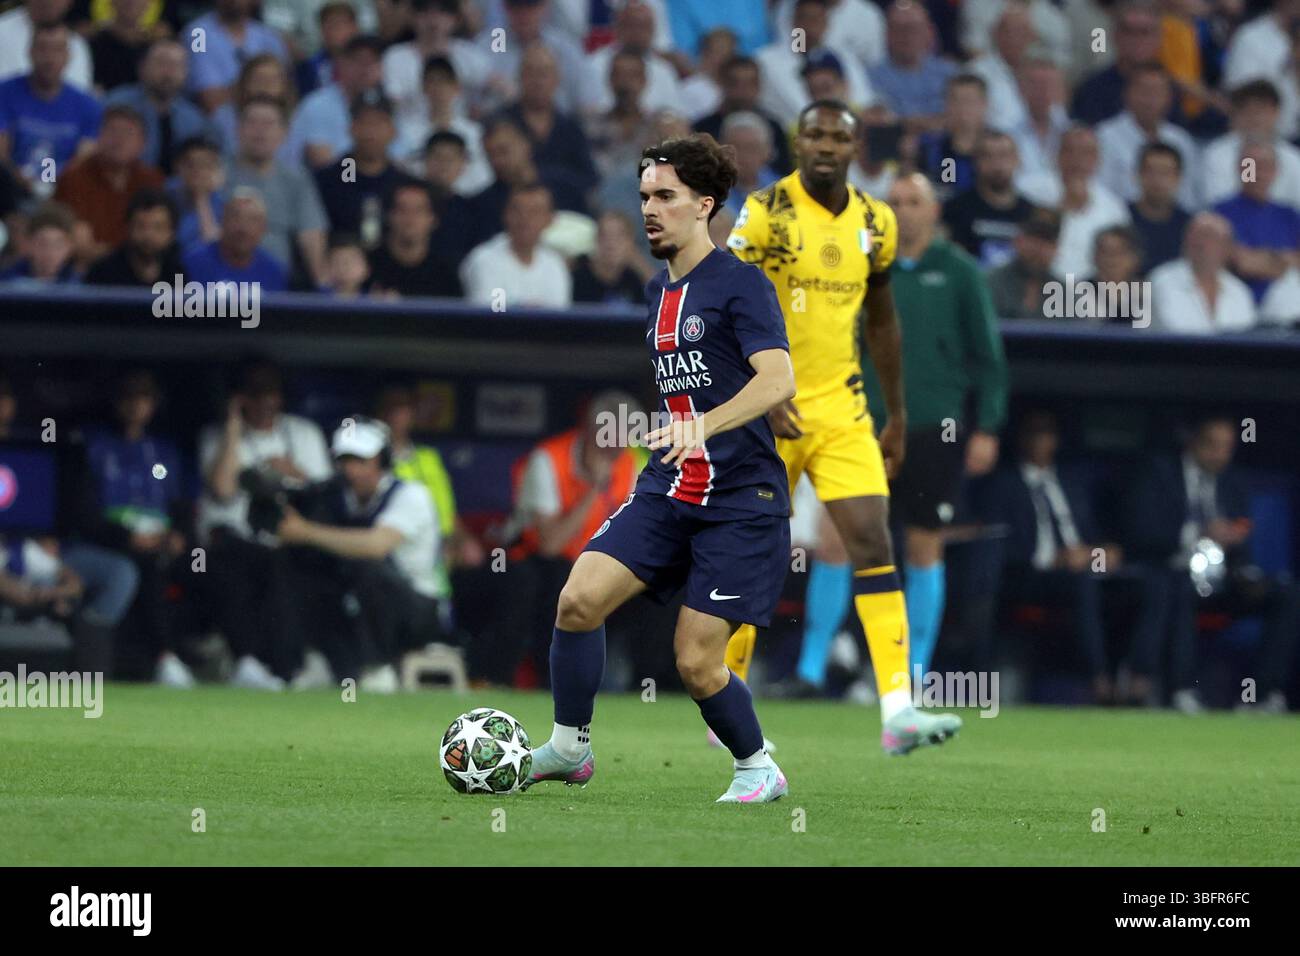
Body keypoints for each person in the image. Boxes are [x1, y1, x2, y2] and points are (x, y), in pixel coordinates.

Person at [526, 133, 796, 803]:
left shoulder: (740, 282)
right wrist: (678, 424)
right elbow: (703, 383)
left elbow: (778, 378)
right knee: (578, 600)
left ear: (703, 205)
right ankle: (569, 748)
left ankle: (757, 766)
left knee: (696, 663)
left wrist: (703, 423)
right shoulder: (657, 289)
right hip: (672, 486)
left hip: (741, 499)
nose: (650, 208)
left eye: (665, 197)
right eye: (645, 195)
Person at [726, 100, 963, 754]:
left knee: (870, 540)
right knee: (753, 550)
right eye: (815, 134)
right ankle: (730, 698)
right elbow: (731, 298)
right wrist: (762, 388)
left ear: (855, 148)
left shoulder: (875, 220)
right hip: (771, 407)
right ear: (798, 142)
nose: (826, 145)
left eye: (839, 136)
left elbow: (882, 322)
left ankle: (898, 712)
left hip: (845, 410)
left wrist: (898, 416)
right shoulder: (767, 212)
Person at [869, 171, 1006, 679]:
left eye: (913, 201)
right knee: (848, 542)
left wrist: (987, 426)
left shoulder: (960, 272)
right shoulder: (868, 270)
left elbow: (988, 358)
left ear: (934, 211)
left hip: (935, 429)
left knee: (924, 542)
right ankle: (822, 666)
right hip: (867, 427)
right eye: (894, 202)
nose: (903, 210)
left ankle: (912, 669)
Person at [1123, 416, 1299, 714]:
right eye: (1211, 445)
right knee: (1176, 587)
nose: (1220, 454)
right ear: (1192, 442)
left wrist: (1243, 563)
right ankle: (1182, 690)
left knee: (1289, 595)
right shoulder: (1159, 474)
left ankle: (1262, 695)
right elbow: (1141, 534)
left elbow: (1241, 535)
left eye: (1226, 447)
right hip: (1171, 574)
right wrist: (1199, 534)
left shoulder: (1232, 483)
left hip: (1223, 580)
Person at [275, 416, 443, 692]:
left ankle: (376, 667)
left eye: (361, 461)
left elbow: (375, 546)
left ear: (383, 461)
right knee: (305, 567)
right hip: (360, 609)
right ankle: (318, 661)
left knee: (367, 568)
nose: (352, 471)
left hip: (418, 611)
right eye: (346, 461)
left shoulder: (412, 495)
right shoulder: (340, 497)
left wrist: (305, 531)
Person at [196, 361, 333, 688]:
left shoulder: (302, 434)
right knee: (241, 562)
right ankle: (250, 663)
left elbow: (327, 498)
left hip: (290, 540)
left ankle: (291, 666)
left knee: (287, 568)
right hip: (231, 543)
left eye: (269, 392)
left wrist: (290, 471)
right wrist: (232, 425)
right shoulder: (217, 435)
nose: (262, 401)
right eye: (253, 393)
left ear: (280, 396)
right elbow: (224, 490)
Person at [984, 411, 1122, 704]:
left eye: (1046, 433)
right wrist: (1054, 559)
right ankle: (1098, 680)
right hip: (1032, 576)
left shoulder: (1073, 483)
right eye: (1033, 432)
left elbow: (1092, 536)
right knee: (1083, 584)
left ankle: (1138, 679)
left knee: (1149, 587)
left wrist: (1104, 552)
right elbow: (998, 546)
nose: (1040, 440)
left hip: (1084, 565)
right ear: (1020, 439)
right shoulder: (1004, 484)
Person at [69, 370, 194, 686]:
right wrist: (127, 537)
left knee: (207, 568)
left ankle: (220, 659)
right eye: (128, 397)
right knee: (141, 569)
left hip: (160, 544)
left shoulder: (164, 453)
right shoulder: (92, 445)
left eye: (143, 397)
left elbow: (179, 506)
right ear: (116, 401)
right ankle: (166, 659)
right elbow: (83, 514)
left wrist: (179, 535)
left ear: (153, 404)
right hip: (109, 544)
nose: (135, 405)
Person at [1149, 212, 1257, 334]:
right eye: (1192, 234)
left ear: (1227, 247)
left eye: (1208, 235)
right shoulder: (1159, 281)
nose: (1198, 241)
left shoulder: (1240, 292)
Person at [83, 188, 184, 287]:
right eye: (141, 226)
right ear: (128, 228)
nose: (148, 235)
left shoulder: (177, 275)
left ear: (171, 233)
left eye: (158, 228)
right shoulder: (102, 274)